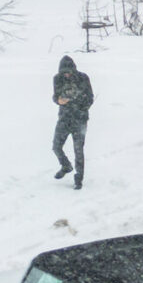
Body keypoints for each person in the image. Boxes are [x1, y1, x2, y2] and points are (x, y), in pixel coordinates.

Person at [51, 55, 94, 187]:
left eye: (69, 72)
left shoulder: (83, 78)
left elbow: (90, 98)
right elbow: (55, 96)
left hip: (79, 119)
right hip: (64, 118)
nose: (67, 75)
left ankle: (78, 179)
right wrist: (59, 100)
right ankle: (66, 166)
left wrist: (78, 103)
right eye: (64, 73)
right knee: (56, 146)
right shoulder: (57, 79)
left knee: (78, 150)